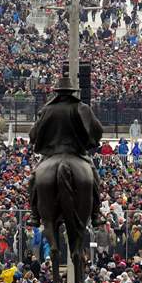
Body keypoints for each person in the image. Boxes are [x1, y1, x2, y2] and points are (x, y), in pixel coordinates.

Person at [27, 75, 104, 225]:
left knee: (33, 180)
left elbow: (33, 134)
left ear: (57, 93)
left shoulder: (47, 109)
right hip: (76, 153)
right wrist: (89, 142)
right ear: (71, 92)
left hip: (52, 154)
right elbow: (98, 130)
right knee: (94, 178)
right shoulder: (82, 108)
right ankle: (96, 214)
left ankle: (35, 215)